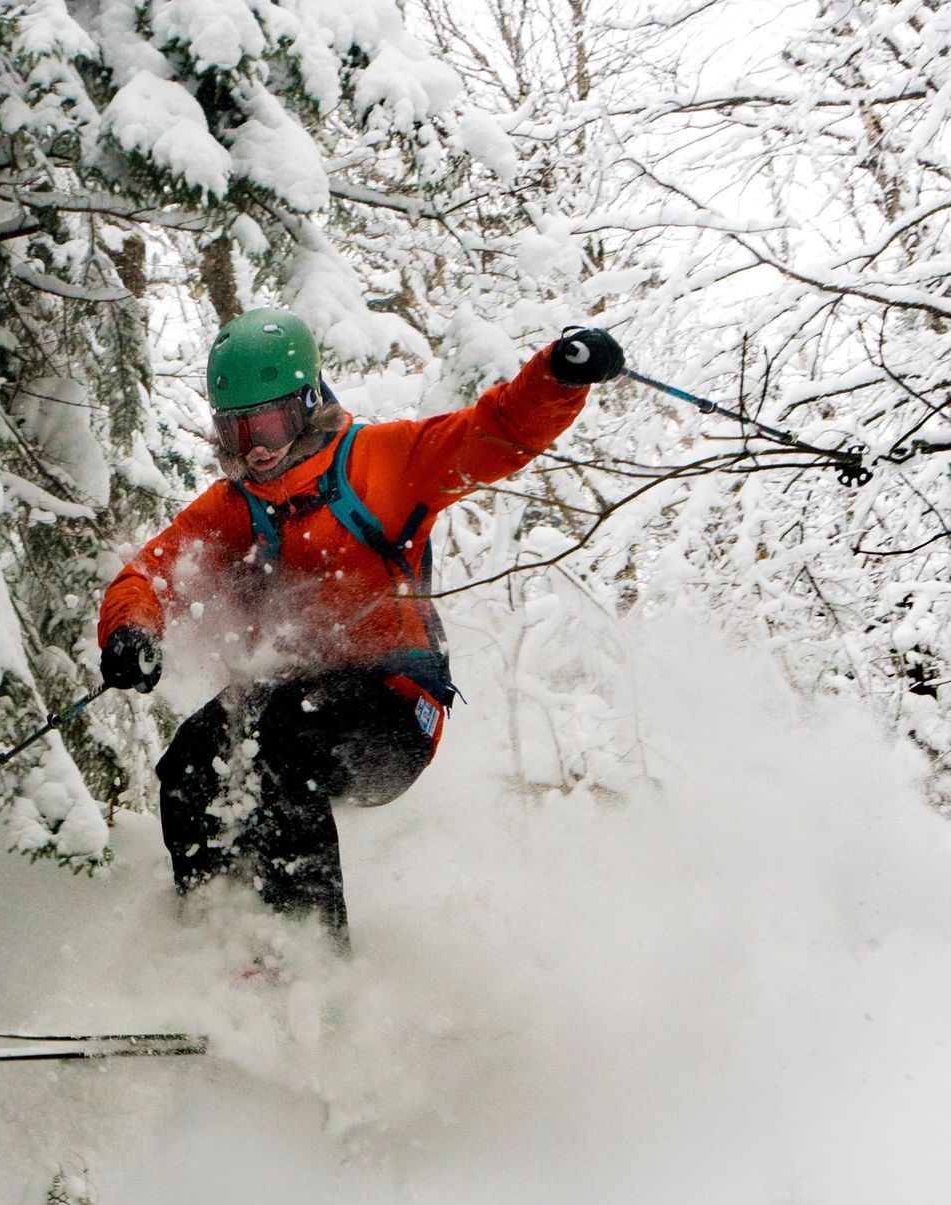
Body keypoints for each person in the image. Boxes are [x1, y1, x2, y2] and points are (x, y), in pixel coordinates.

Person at [97, 310, 625, 951]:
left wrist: (558, 377)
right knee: (188, 766)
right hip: (292, 696)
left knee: (283, 749)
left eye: (268, 423)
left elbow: (495, 432)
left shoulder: (385, 462)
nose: (255, 447)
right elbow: (148, 578)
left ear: (308, 403)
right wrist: (131, 630)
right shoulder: (233, 508)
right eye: (236, 431)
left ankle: (313, 969)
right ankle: (220, 956)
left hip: (396, 703)